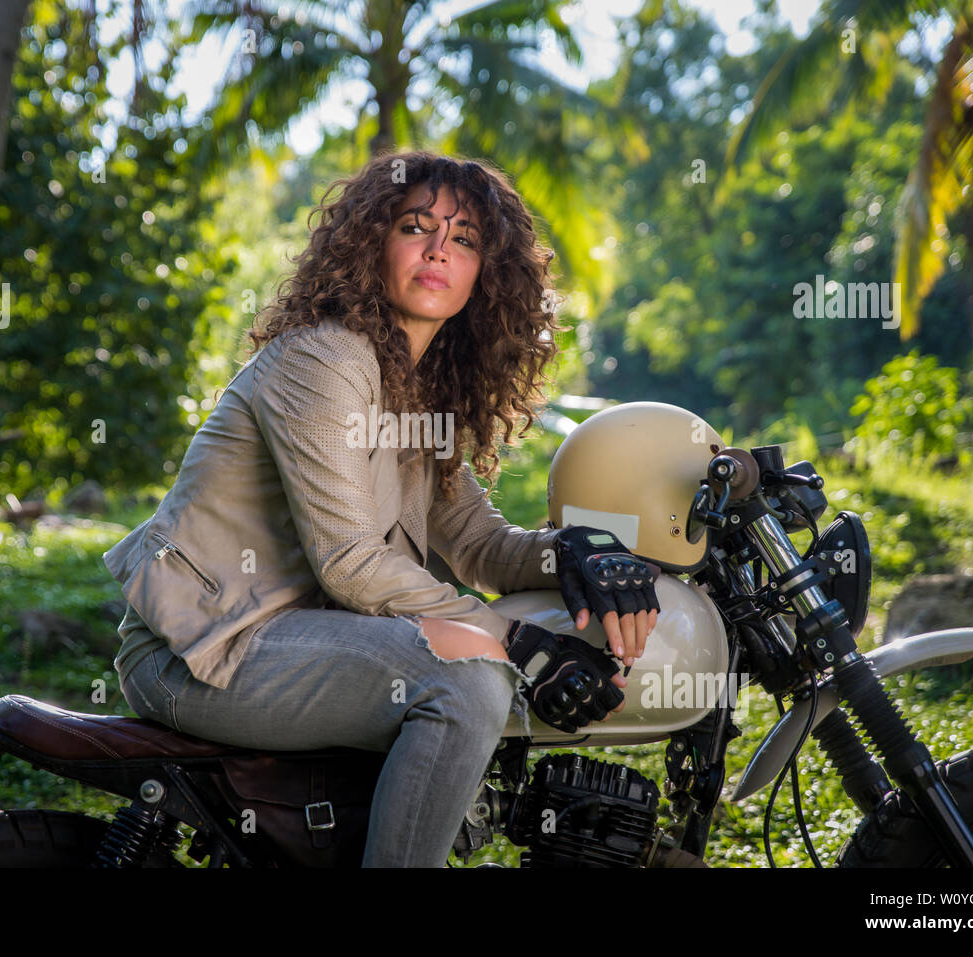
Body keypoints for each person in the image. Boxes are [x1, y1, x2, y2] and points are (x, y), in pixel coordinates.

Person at [103, 150, 659, 867]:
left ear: (486, 274)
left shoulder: (421, 391)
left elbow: (483, 546)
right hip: (205, 647)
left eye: (463, 241)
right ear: (372, 242)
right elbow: (351, 564)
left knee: (473, 668)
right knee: (464, 682)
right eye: (416, 227)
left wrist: (581, 550)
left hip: (295, 639)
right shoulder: (325, 359)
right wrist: (522, 646)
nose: (438, 251)